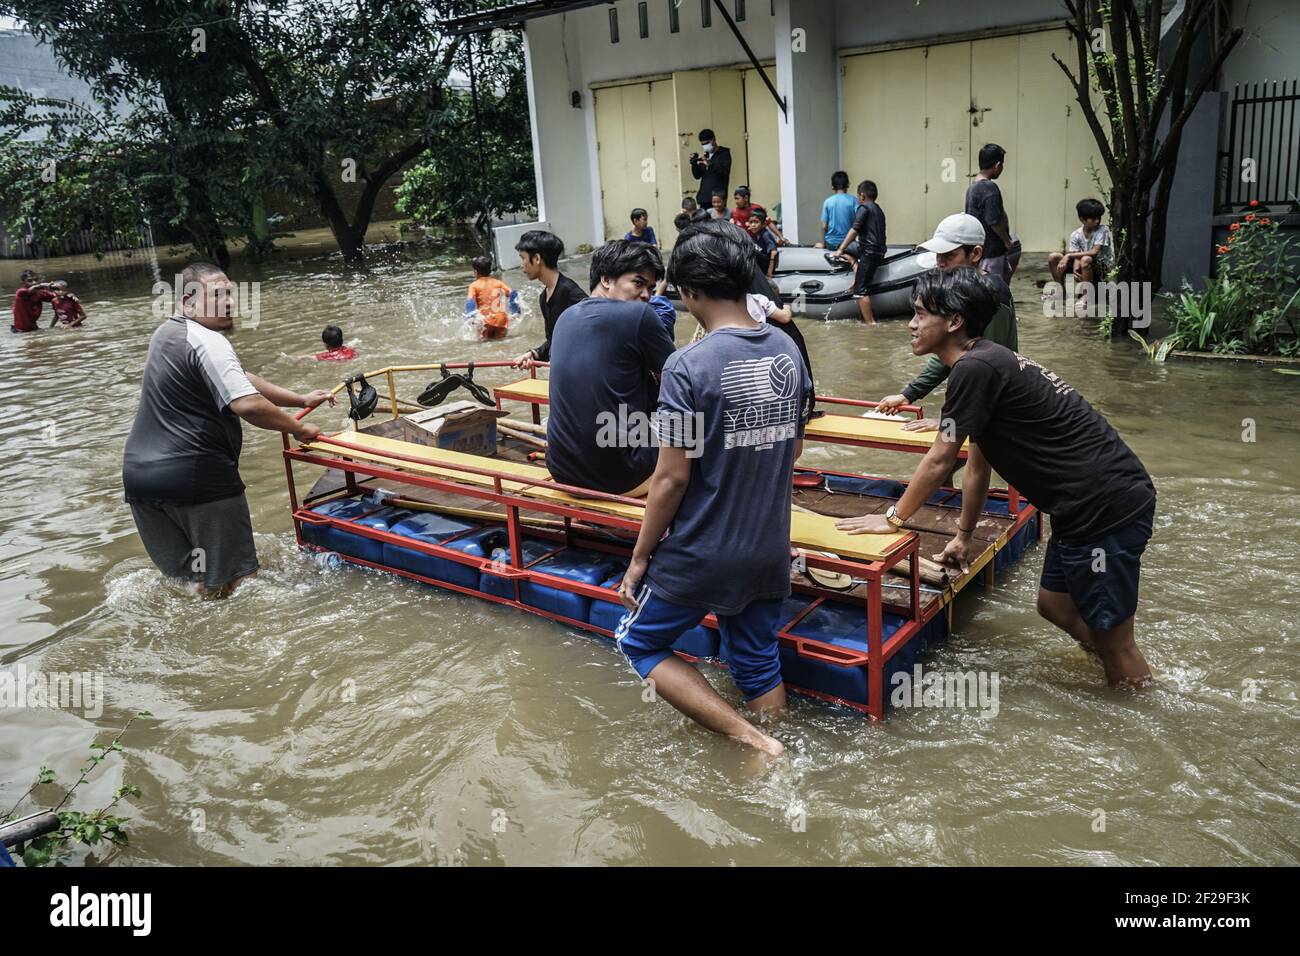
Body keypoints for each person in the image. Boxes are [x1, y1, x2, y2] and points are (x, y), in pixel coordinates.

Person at [837, 267, 1156, 689]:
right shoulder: (983, 362)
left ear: (954, 322)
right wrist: (964, 534)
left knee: (1117, 640)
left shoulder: (975, 368)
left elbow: (940, 460)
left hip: (1103, 507)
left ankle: (1137, 700)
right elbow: (977, 463)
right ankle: (1115, 667)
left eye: (919, 314)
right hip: (1083, 507)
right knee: (1055, 606)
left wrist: (893, 518)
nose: (911, 324)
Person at [615, 220, 813, 755]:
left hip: (701, 551)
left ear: (689, 291)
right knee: (755, 659)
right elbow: (791, 450)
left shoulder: (687, 366)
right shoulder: (786, 348)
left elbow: (671, 478)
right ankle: (782, 746)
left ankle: (749, 740)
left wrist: (639, 558)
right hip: (768, 547)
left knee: (636, 641)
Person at [122, 262, 335, 597]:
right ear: (188, 303)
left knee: (193, 582)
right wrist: (298, 427)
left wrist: (299, 399)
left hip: (141, 480)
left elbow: (239, 378)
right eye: (218, 295)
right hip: (198, 477)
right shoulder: (209, 340)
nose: (230, 303)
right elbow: (247, 403)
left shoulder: (167, 333)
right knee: (240, 581)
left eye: (231, 295)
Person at [545, 240, 676, 496]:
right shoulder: (639, 315)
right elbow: (681, 378)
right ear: (605, 278)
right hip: (621, 476)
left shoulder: (565, 316)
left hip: (561, 470)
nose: (647, 295)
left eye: (650, 287)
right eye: (638, 283)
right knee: (696, 424)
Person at [877, 213, 1017, 425]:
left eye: (949, 255)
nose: (940, 263)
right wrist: (909, 394)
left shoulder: (993, 296)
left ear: (975, 253)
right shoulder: (956, 293)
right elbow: (947, 352)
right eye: (937, 255)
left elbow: (989, 368)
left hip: (998, 408)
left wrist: (947, 420)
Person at [510, 230, 587, 370]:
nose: (522, 264)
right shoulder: (544, 296)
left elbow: (594, 333)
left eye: (523, 258)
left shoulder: (570, 293)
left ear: (537, 259)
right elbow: (555, 341)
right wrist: (535, 354)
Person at [833, 180, 886, 327]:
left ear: (862, 196)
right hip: (878, 250)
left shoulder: (863, 208)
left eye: (858, 195)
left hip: (869, 251)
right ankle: (855, 264)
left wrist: (841, 249)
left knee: (860, 290)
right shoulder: (878, 209)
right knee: (848, 249)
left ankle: (871, 324)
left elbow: (854, 230)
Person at [965, 144, 1014, 283]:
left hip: (980, 250)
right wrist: (1007, 241)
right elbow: (994, 221)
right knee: (994, 288)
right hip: (992, 251)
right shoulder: (989, 188)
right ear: (997, 165)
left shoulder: (972, 187)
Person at [1049, 197, 1113, 288]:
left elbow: (1094, 252)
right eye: (1093, 219)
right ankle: (1060, 291)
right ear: (1082, 219)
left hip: (1100, 268)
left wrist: (1068, 255)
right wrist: (1076, 270)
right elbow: (1077, 256)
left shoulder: (1102, 230)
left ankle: (1086, 295)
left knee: (1085, 259)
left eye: (1099, 218)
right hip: (1083, 265)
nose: (1097, 221)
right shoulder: (1076, 234)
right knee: (1054, 257)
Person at [465, 255, 518, 340]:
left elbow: (470, 301)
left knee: (482, 341)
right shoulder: (498, 283)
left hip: (486, 321)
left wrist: (470, 317)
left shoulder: (474, 285)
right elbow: (513, 293)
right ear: (490, 270)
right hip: (501, 319)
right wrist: (515, 312)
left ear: (475, 271)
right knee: (501, 341)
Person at [689, 128, 732, 207]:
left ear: (713, 140)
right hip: (704, 198)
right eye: (702, 144)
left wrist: (710, 164)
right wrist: (694, 163)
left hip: (718, 200)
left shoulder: (724, 154)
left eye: (706, 143)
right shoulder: (706, 156)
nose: (705, 146)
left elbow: (724, 174)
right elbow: (697, 176)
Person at [816, 171, 857, 252]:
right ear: (847, 185)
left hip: (831, 244)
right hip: (848, 244)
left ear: (832, 187)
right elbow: (860, 222)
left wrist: (823, 244)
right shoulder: (854, 201)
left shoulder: (827, 202)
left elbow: (824, 226)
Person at [746, 207, 779, 277]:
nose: (753, 225)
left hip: (767, 266)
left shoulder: (765, 235)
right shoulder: (754, 234)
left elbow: (773, 253)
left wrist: (769, 272)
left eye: (756, 222)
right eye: (751, 222)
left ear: (764, 224)